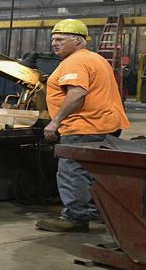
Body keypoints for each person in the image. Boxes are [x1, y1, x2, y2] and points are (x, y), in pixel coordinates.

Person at [35, 18, 129, 232]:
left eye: (60, 39)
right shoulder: (95, 58)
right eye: (53, 39)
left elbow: (77, 93)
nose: (54, 43)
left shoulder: (74, 62)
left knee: (72, 171)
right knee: (93, 172)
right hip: (106, 124)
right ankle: (94, 212)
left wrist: (55, 121)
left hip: (84, 126)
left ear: (78, 41)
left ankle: (75, 218)